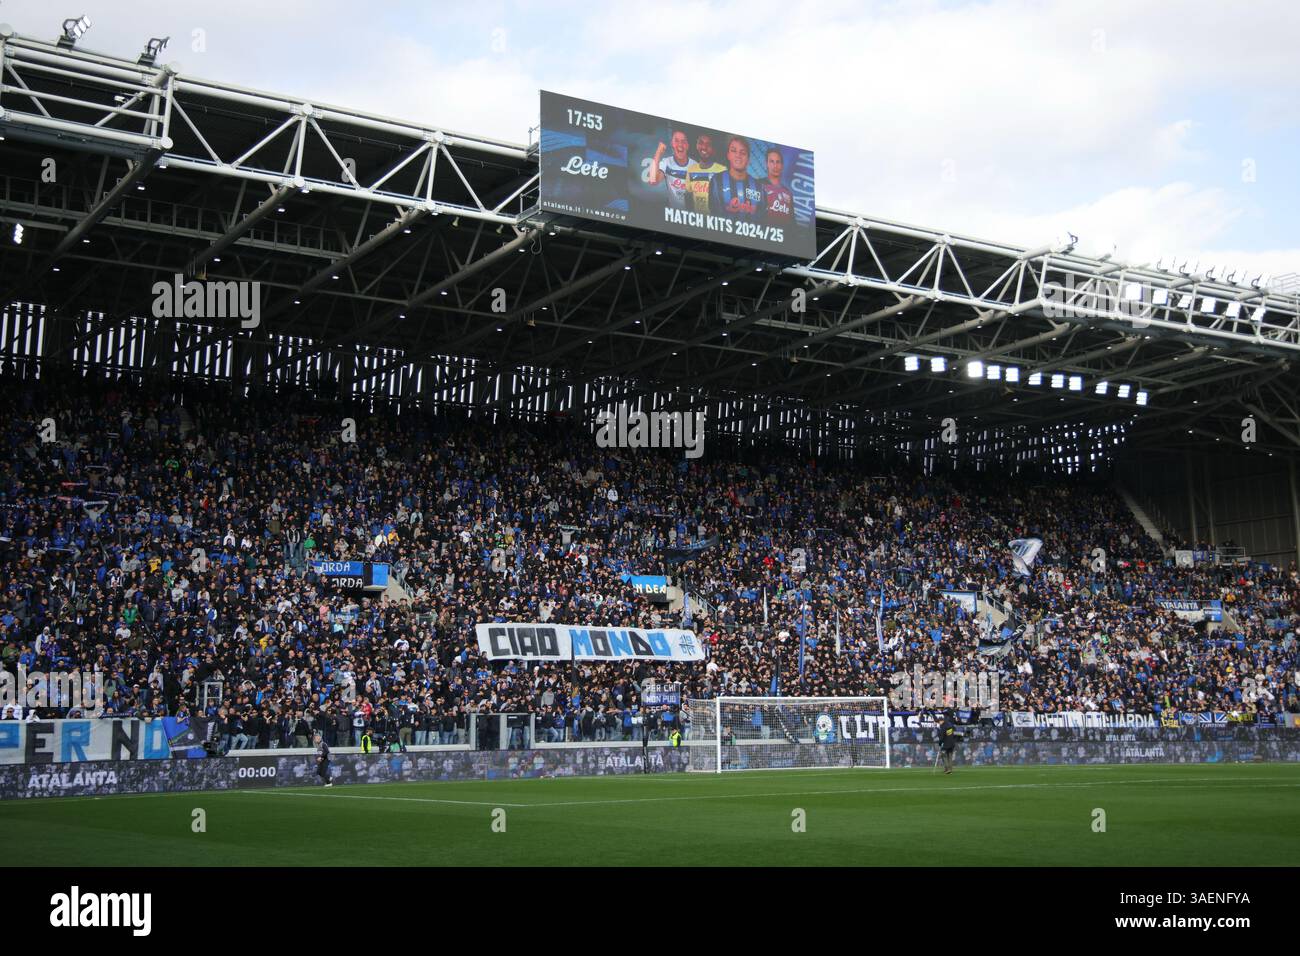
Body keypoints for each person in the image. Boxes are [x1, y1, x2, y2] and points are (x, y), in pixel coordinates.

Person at [709, 136, 765, 221]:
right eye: (734, 151)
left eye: (742, 152)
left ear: (748, 159)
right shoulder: (716, 181)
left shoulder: (759, 187)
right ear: (728, 155)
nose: (738, 155)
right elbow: (713, 213)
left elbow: (761, 218)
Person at [648, 129, 692, 209]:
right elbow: (652, 181)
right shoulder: (667, 162)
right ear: (672, 143)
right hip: (673, 215)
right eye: (676, 141)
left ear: (688, 145)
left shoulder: (695, 166)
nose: (680, 144)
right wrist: (658, 152)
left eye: (683, 141)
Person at [686, 133, 725, 214]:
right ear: (696, 145)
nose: (704, 147)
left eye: (708, 144)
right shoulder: (691, 170)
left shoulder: (722, 170)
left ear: (713, 148)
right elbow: (688, 197)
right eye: (701, 143)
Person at [938, 710, 959, 774]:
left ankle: (946, 768)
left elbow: (941, 736)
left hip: (946, 744)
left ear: (942, 721)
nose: (939, 723)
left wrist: (940, 743)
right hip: (952, 743)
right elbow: (955, 733)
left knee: (943, 755)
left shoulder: (943, 727)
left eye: (939, 721)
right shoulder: (951, 725)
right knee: (950, 756)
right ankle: (950, 769)